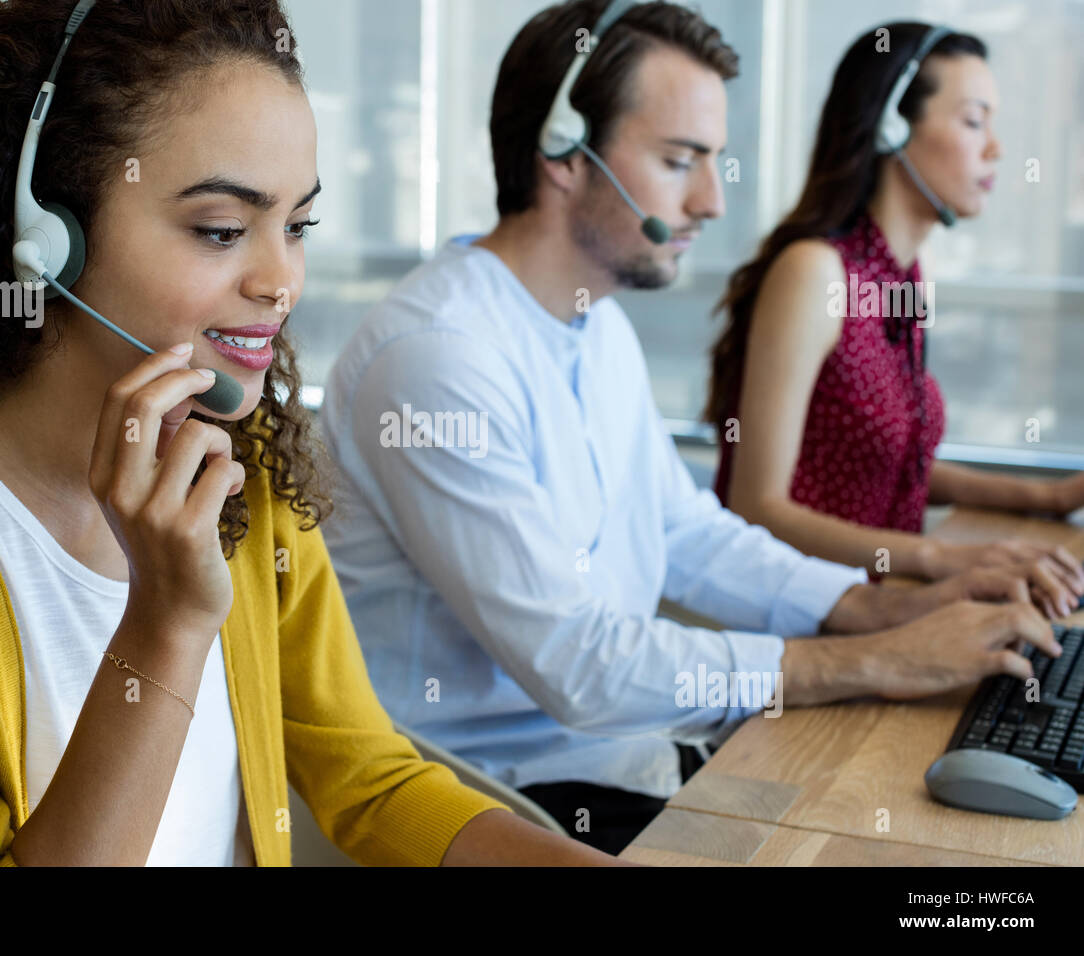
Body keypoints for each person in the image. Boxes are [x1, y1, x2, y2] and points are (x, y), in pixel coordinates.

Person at [0, 0, 626, 867]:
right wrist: (168, 622)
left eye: (297, 226)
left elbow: (370, 779)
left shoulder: (241, 461)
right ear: (45, 241)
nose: (281, 279)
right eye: (223, 230)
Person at [318, 0, 1059, 857]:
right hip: (504, 804)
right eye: (680, 161)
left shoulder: (595, 327)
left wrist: (876, 608)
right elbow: (579, 665)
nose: (711, 199)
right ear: (564, 150)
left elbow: (686, 534)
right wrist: (883, 659)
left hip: (626, 758)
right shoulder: (436, 361)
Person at [705, 22, 1084, 611]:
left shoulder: (905, 274)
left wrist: (1050, 497)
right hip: (800, 626)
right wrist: (941, 557)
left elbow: (894, 464)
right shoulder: (815, 273)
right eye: (973, 120)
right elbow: (757, 507)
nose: (996, 148)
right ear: (892, 127)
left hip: (890, 611)